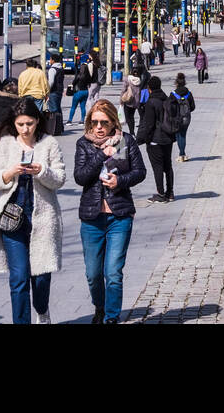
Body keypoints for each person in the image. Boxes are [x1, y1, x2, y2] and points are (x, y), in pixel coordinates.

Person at [0, 98, 66, 324]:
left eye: (29, 123)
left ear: (38, 121)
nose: (25, 129)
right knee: (18, 278)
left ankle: (42, 309)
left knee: (40, 277)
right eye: (20, 124)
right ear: (14, 124)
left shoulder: (49, 144)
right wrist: (10, 173)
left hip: (43, 219)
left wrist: (41, 171)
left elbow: (59, 179)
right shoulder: (5, 143)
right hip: (13, 219)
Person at [74, 99, 146, 324]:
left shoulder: (125, 142)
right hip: (92, 218)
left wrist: (120, 181)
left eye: (104, 122)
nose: (98, 127)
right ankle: (100, 307)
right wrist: (101, 155)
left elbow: (140, 172)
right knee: (93, 274)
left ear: (113, 121)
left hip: (119, 216)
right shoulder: (83, 144)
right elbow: (81, 177)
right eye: (94, 122)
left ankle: (112, 317)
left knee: (113, 273)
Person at [136, 76, 175, 203]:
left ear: (149, 89)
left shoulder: (151, 103)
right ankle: (170, 193)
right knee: (168, 165)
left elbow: (149, 125)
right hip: (168, 138)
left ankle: (160, 193)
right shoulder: (167, 99)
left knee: (157, 167)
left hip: (155, 140)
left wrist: (145, 139)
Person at [170, 73, 196, 162]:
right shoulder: (189, 94)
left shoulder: (173, 94)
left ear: (176, 83)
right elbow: (193, 107)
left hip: (177, 118)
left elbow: (169, 107)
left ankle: (181, 154)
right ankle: (182, 154)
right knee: (183, 135)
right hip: (187, 118)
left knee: (178, 135)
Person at [69, 57, 92, 124]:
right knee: (83, 107)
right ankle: (82, 120)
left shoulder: (79, 76)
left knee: (73, 107)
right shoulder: (88, 76)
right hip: (85, 92)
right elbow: (89, 84)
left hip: (78, 92)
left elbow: (73, 83)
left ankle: (70, 120)